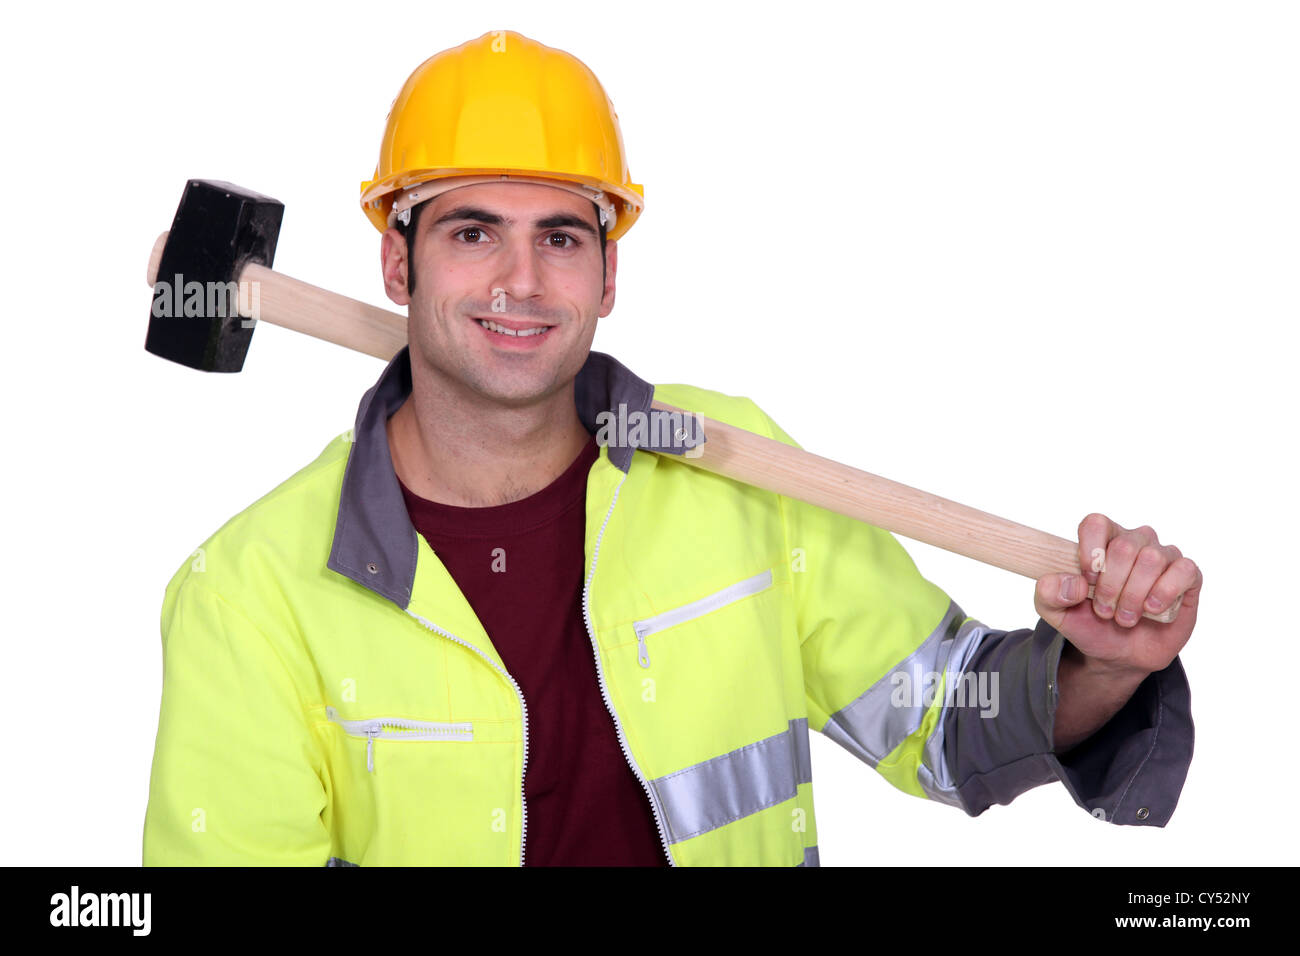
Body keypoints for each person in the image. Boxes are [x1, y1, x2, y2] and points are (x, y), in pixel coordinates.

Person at [142, 30, 1200, 866]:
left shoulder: (731, 471)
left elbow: (943, 715)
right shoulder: (251, 591)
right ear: (395, 260)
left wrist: (1099, 664)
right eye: (471, 231)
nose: (519, 280)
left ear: (607, 277)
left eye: (560, 235)